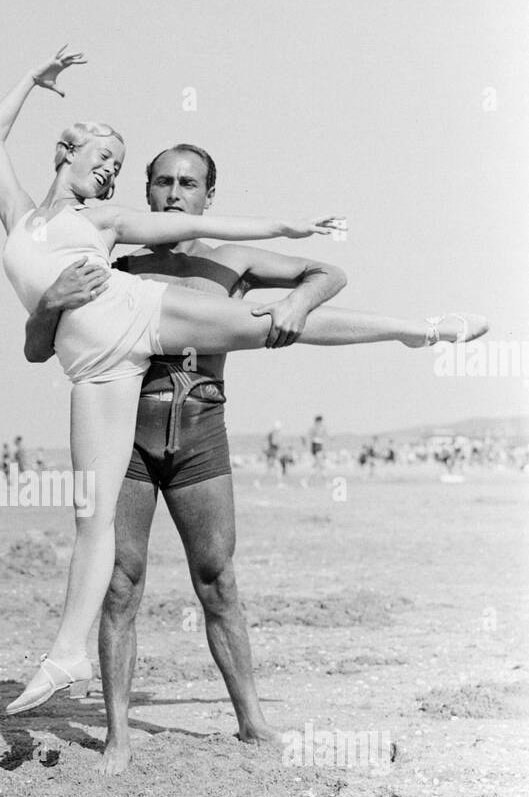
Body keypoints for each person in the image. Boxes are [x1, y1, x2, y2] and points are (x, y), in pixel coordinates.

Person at [0, 46, 486, 716]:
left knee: (271, 328)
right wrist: (35, 83)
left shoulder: (144, 237)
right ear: (66, 152)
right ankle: (82, 682)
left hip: (169, 375)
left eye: (120, 169)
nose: (119, 176)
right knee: (98, 539)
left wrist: (287, 234)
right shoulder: (66, 234)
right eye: (120, 166)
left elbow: (227, 237)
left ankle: (416, 329)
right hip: (106, 392)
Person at [27, 143, 347, 762]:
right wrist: (50, 302)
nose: (175, 193)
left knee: (218, 580)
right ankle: (118, 735)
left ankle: (252, 721)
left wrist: (297, 303)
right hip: (126, 438)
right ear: (146, 193)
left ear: (209, 198)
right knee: (121, 583)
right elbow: (39, 349)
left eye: (190, 184)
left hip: (202, 431)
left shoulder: (233, 262)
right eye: (164, 183)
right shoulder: (109, 262)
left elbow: (327, 274)